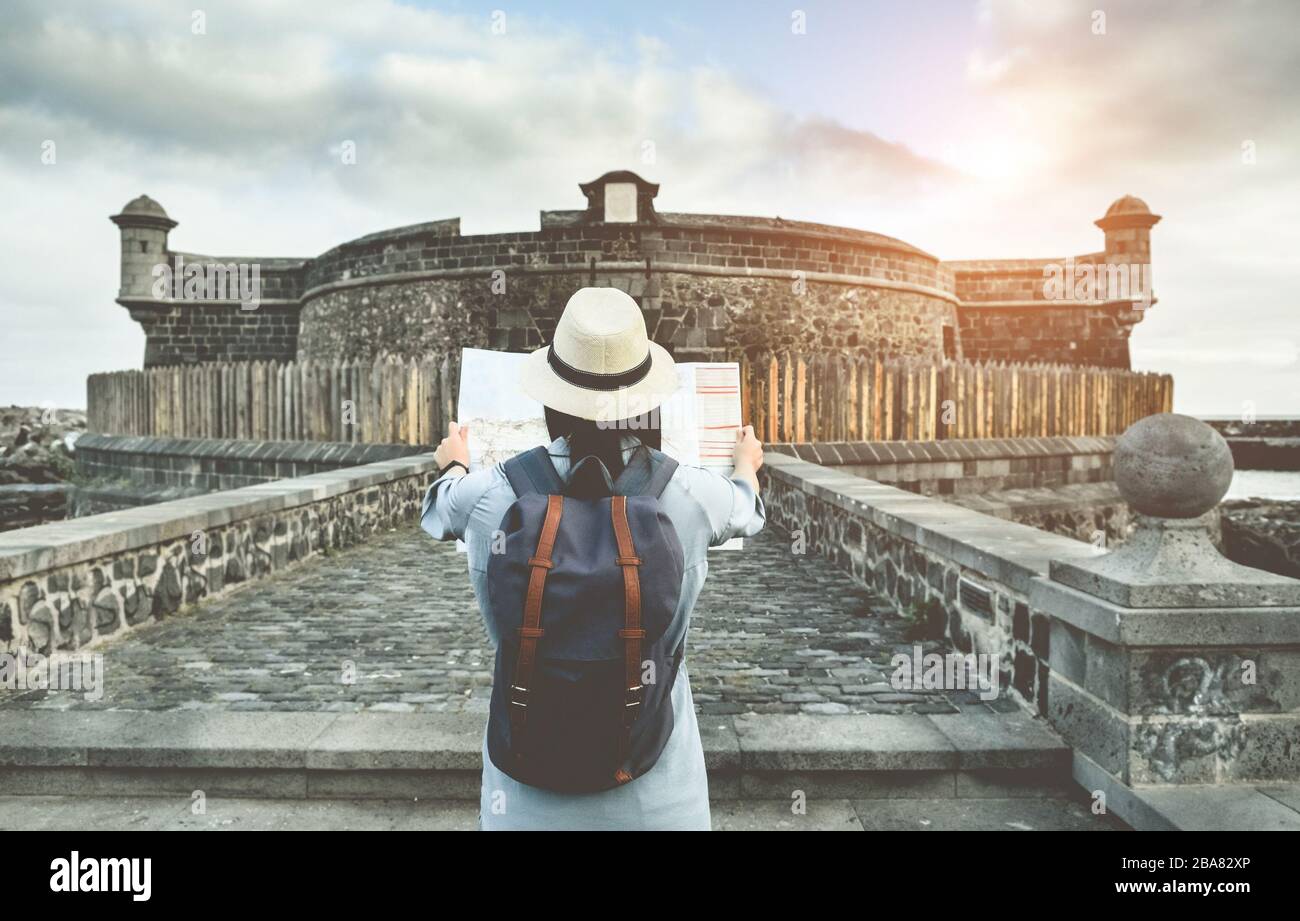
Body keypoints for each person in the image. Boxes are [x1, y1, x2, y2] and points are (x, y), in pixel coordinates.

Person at [421, 287, 765, 830]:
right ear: (646, 400)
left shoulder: (493, 493)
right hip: (658, 790)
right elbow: (748, 509)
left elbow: (437, 511)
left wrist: (456, 464)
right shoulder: (693, 495)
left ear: (551, 400)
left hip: (524, 794)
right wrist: (745, 463)